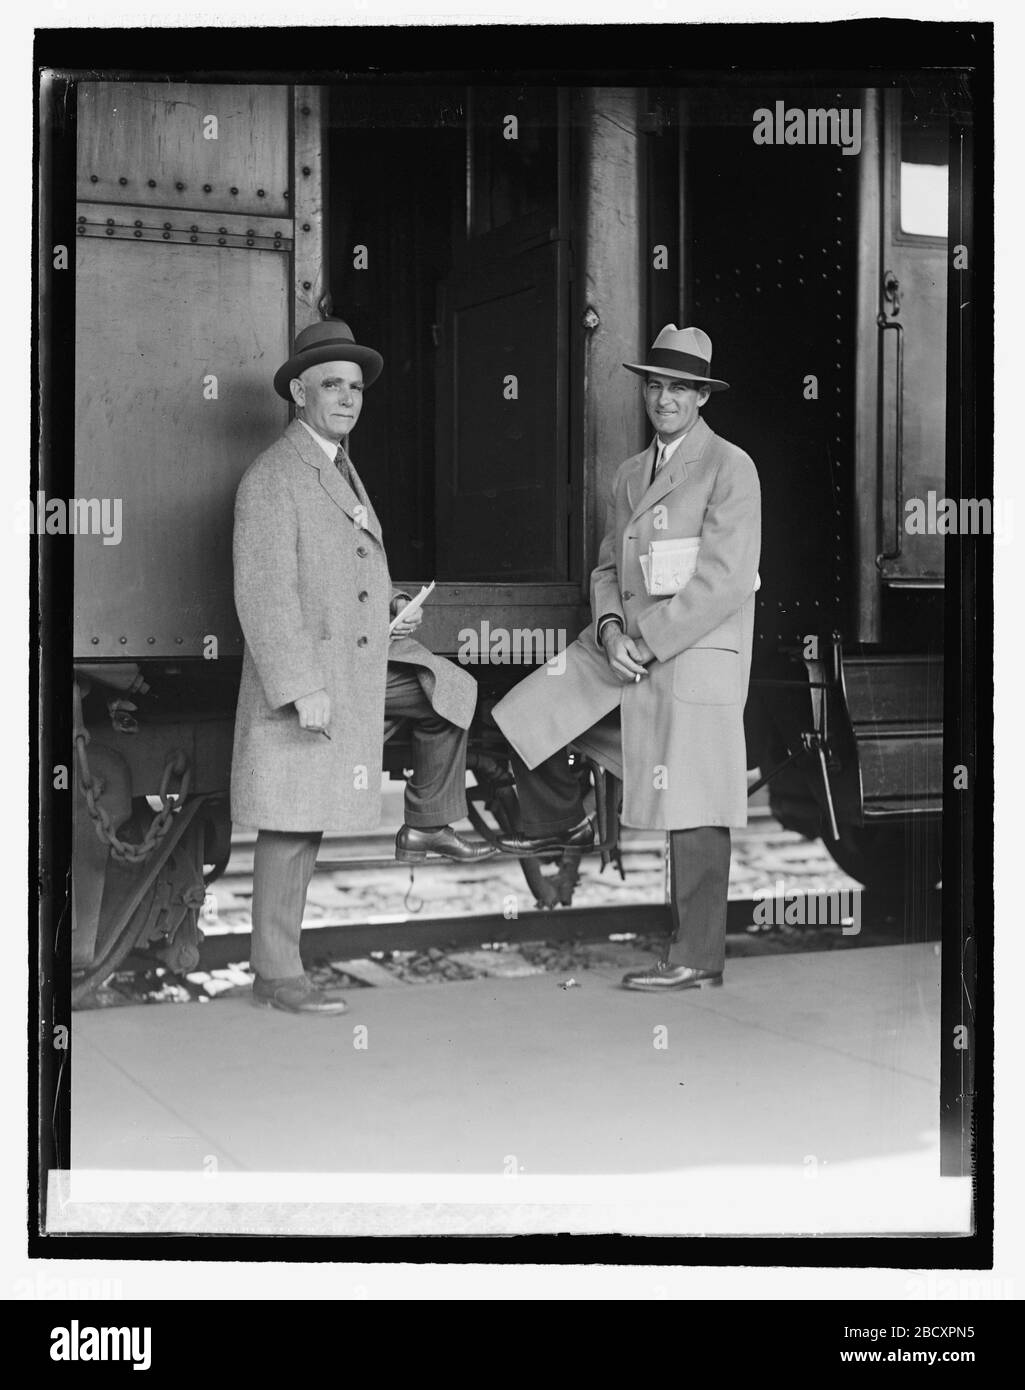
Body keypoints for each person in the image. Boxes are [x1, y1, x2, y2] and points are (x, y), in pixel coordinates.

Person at [231, 319, 493, 1015]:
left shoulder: (336, 464)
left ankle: (429, 821)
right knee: (292, 820)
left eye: (354, 387)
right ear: (297, 392)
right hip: (313, 679)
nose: (347, 398)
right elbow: (262, 591)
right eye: (331, 385)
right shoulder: (275, 474)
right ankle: (277, 975)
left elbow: (342, 574)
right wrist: (297, 686)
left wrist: (388, 608)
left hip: (357, 663)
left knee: (448, 691)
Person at [492, 326, 761, 991]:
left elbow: (723, 581)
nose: (664, 399)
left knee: (695, 803)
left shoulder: (731, 466)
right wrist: (611, 631)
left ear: (701, 397)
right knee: (525, 713)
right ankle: (564, 827)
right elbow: (607, 567)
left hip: (691, 654)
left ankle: (695, 958)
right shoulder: (628, 473)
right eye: (655, 385)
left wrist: (647, 640)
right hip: (626, 651)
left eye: (679, 388)